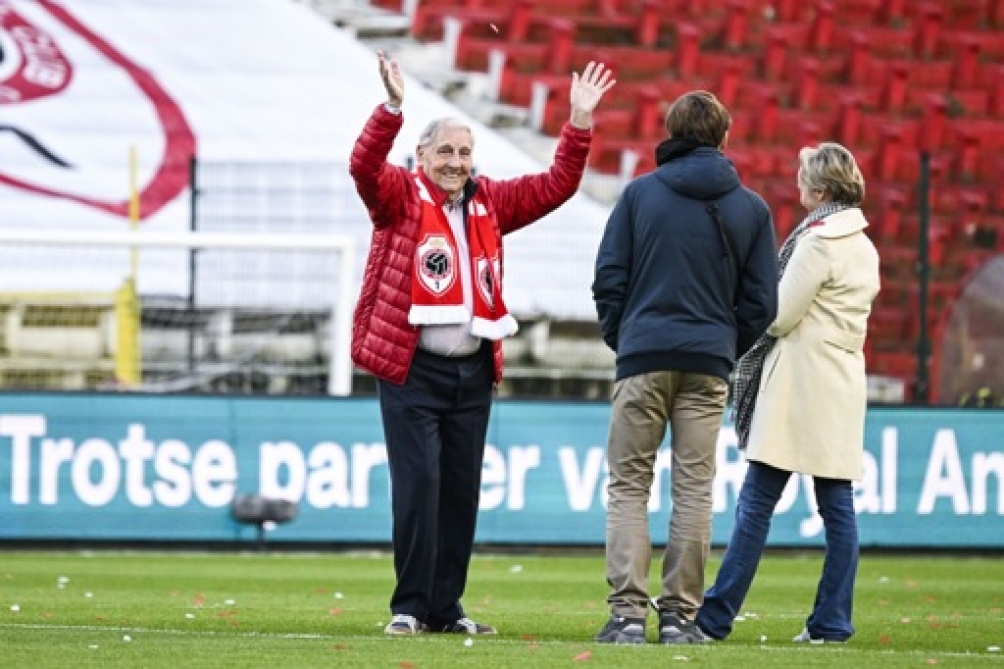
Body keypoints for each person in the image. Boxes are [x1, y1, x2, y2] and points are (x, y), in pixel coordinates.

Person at [349, 51, 615, 637]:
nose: (455, 161)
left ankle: (446, 608)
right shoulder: (397, 196)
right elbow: (363, 166)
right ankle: (410, 606)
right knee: (419, 487)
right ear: (421, 158)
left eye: (464, 152)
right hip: (410, 367)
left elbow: (556, 186)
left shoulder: (489, 201)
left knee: (460, 492)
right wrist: (392, 108)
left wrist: (579, 123)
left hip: (471, 373)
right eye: (444, 151)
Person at [591, 90, 779, 645]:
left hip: (643, 357)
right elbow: (762, 302)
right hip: (708, 364)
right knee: (695, 489)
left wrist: (624, 339)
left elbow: (609, 278)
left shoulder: (639, 195)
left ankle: (627, 615)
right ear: (725, 137)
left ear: (670, 132)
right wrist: (724, 345)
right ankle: (679, 618)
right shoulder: (751, 207)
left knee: (629, 485)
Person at [696, 142, 880, 644]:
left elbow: (779, 315)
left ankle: (714, 617)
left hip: (800, 386)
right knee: (837, 510)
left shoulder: (819, 241)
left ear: (819, 189)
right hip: (840, 386)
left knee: (756, 504)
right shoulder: (863, 242)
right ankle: (832, 622)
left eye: (804, 176)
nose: (798, 182)